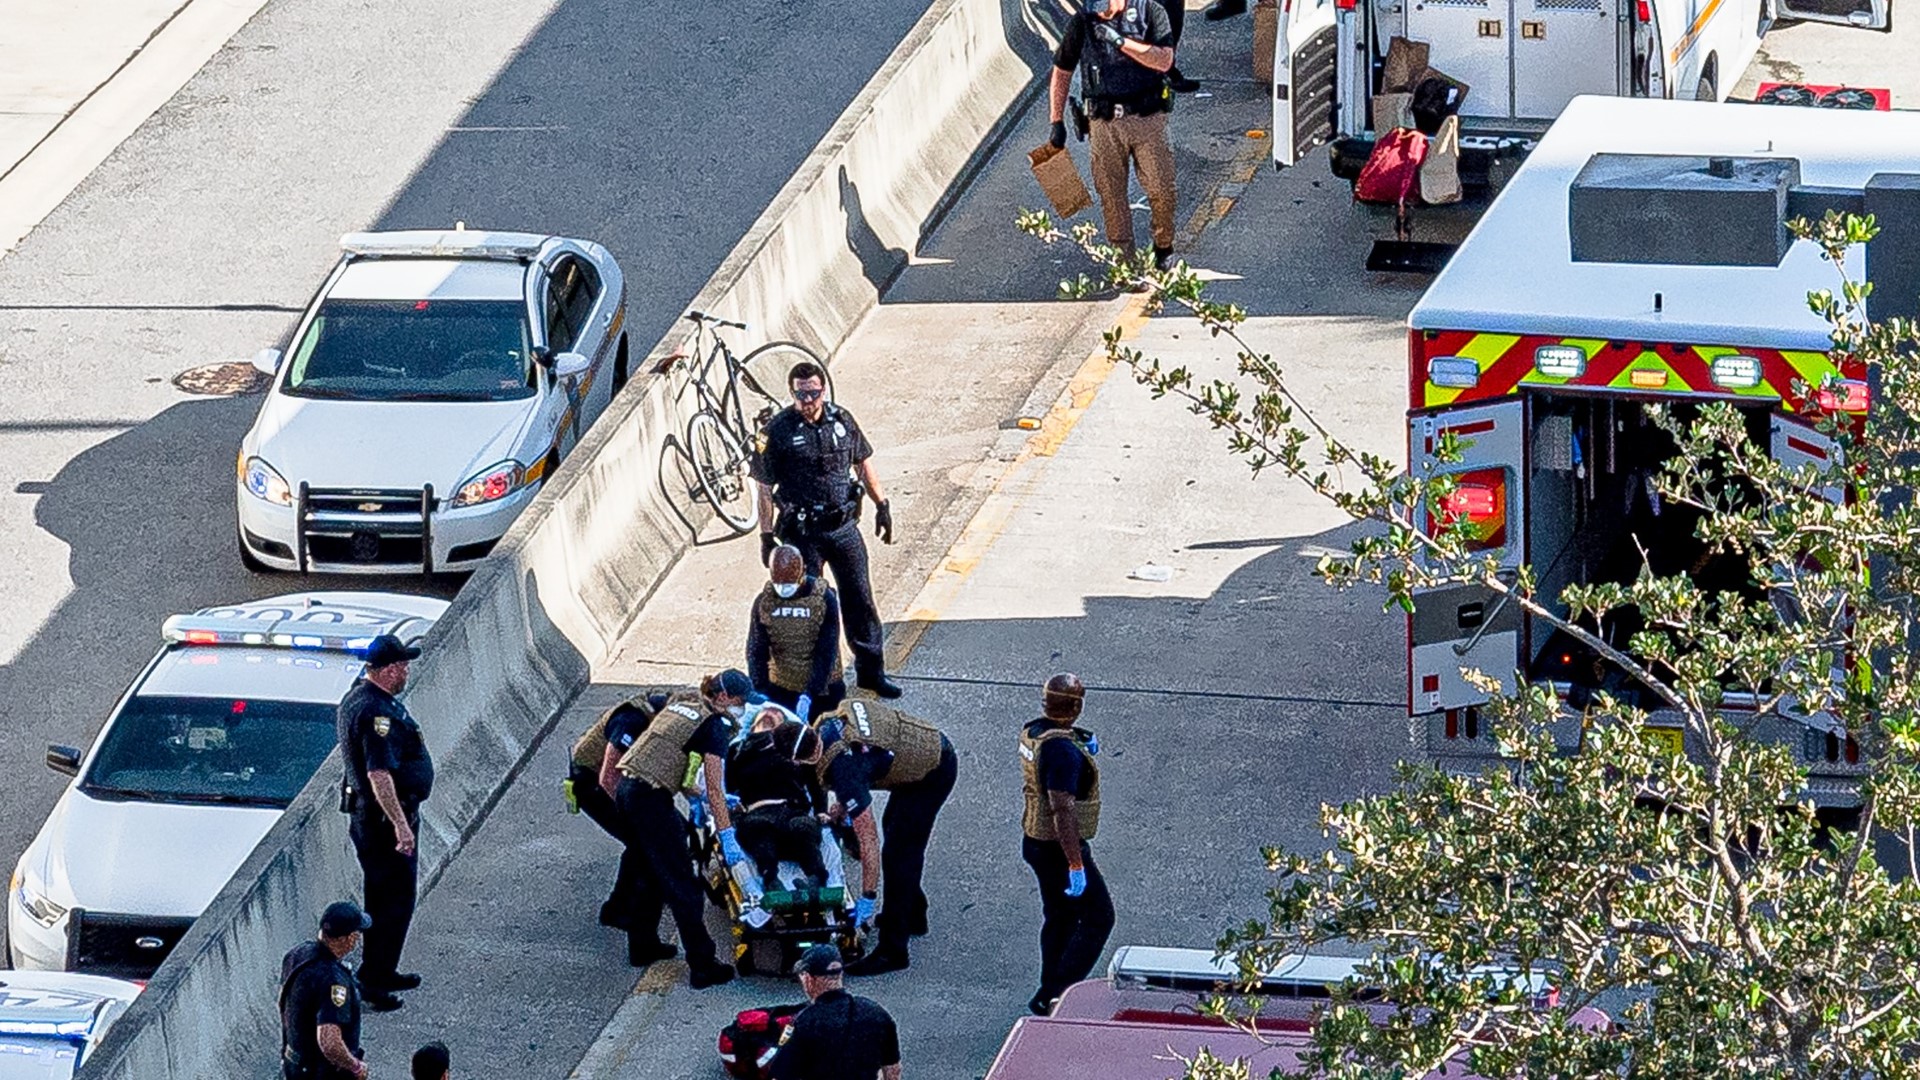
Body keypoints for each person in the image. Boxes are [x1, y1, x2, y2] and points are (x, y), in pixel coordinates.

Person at [751, 362, 903, 700]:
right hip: (803, 534)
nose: (808, 400)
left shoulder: (842, 420)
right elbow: (763, 487)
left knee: (860, 600)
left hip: (843, 527)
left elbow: (862, 463)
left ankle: (871, 672)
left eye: (814, 393)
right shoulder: (776, 432)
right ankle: (827, 683)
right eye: (801, 394)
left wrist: (882, 504)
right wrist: (765, 536)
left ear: (824, 391)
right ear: (792, 394)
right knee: (815, 609)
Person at [600, 678, 744, 986]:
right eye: (740, 702)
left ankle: (643, 944)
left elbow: (673, 762)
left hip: (629, 789)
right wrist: (727, 833)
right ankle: (703, 965)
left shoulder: (683, 705)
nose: (742, 709)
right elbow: (717, 789)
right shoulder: (715, 727)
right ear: (724, 699)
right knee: (684, 885)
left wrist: (697, 797)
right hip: (650, 799)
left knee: (649, 872)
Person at [811, 699, 959, 976]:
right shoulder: (827, 726)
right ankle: (913, 914)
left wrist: (867, 896)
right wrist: (843, 806)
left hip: (932, 773)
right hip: (920, 754)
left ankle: (893, 950)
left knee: (899, 856)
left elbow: (868, 843)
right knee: (895, 828)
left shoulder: (845, 770)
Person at [336, 633, 433, 1011]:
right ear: (389, 670)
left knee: (386, 898)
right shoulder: (377, 714)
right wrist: (400, 826)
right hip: (383, 822)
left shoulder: (357, 698)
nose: (406, 672)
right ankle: (374, 979)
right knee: (392, 900)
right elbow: (379, 775)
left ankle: (383, 968)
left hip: (375, 818)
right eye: (403, 666)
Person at [1047, 0, 1179, 271]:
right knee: (1112, 194)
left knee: (1162, 188)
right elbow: (1062, 71)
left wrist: (1121, 42)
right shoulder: (1083, 21)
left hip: (1147, 118)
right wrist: (1056, 121)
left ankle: (1163, 245)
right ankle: (1123, 259)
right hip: (1104, 122)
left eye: (1105, 5)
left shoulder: (1150, 12)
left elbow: (1164, 60)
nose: (1100, 12)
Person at [1020, 673, 1114, 1017]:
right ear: (1076, 706)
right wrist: (1075, 865)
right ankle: (1059, 993)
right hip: (1058, 850)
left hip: (1035, 841)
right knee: (1099, 917)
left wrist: (1079, 739)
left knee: (1059, 918)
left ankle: (1049, 991)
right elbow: (1062, 809)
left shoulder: (1036, 731)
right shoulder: (1061, 752)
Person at [568, 686, 682, 929]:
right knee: (640, 844)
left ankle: (633, 901)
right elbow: (608, 777)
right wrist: (631, 813)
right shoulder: (631, 721)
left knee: (651, 840)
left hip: (623, 781)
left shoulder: (649, 718)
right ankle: (618, 909)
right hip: (592, 784)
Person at [771, 944, 903, 1080]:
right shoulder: (876, 1013)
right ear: (840, 973)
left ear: (809, 979)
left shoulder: (805, 1023)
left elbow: (782, 1075)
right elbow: (893, 1071)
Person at [727, 714, 832, 886]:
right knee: (758, 830)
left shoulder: (795, 749)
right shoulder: (738, 751)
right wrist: (733, 810)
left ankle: (816, 877)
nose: (768, 719)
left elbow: (815, 785)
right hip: (758, 812)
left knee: (803, 828)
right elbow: (729, 788)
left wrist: (821, 811)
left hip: (793, 810)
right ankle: (771, 879)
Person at [748, 545, 847, 721]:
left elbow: (826, 650)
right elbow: (756, 649)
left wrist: (811, 693)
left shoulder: (823, 600)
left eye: (789, 583)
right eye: (779, 583)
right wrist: (760, 689)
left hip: (823, 689)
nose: (784, 589)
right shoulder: (764, 603)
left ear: (803, 572)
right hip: (782, 688)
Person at [279, 901, 370, 1080]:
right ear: (349, 938)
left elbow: (283, 1003)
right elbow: (329, 1041)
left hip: (294, 1063)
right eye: (357, 934)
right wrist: (355, 1066)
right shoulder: (333, 981)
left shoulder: (297, 955)